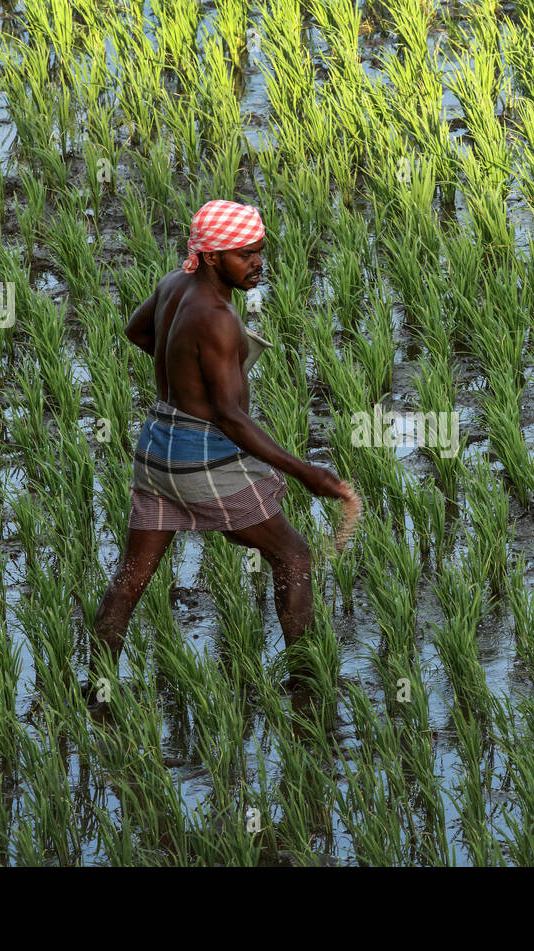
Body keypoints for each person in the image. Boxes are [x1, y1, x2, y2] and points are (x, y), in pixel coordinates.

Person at [88, 199, 349, 690]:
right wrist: (305, 471)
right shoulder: (218, 317)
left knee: (131, 580)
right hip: (200, 458)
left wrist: (187, 372)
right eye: (244, 255)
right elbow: (230, 418)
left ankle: (97, 690)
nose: (256, 263)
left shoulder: (173, 284)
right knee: (293, 557)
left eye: (259, 252)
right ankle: (307, 688)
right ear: (210, 256)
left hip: (156, 449)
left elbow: (137, 330)